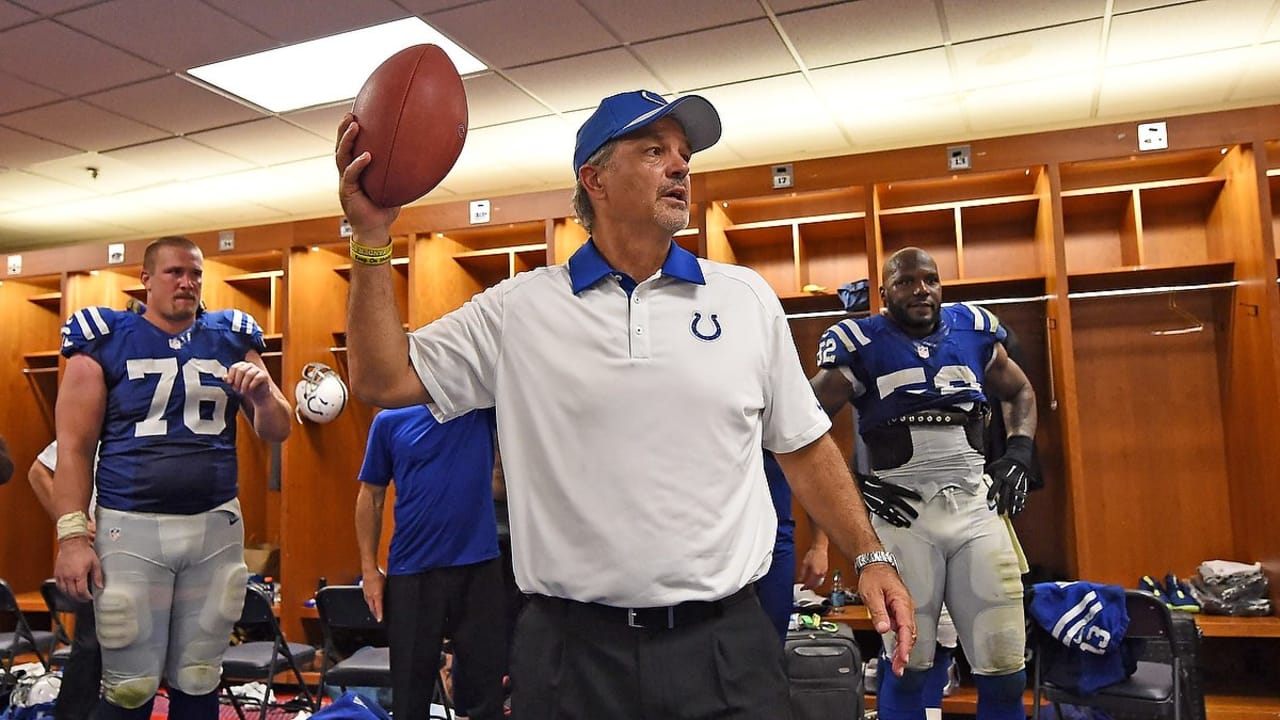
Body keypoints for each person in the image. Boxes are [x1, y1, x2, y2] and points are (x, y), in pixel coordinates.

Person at [336, 88, 916, 719]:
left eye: (684, 153)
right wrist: (370, 237)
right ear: (595, 179)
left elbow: (804, 446)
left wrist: (870, 553)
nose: (680, 166)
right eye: (653, 150)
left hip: (725, 647)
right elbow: (379, 377)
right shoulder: (519, 310)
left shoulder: (744, 298)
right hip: (571, 656)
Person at [50, 235, 292, 720]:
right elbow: (73, 448)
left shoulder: (230, 337)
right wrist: (72, 537)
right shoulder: (105, 338)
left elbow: (278, 430)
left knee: (200, 676)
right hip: (132, 526)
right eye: (174, 273)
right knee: (131, 685)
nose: (188, 283)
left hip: (215, 526)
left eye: (196, 274)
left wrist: (265, 395)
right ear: (145, 280)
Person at [810, 246, 1038, 720]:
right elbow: (803, 427)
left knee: (1005, 665)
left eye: (929, 280)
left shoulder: (974, 332)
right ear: (884, 292)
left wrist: (1018, 451)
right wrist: (855, 482)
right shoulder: (860, 341)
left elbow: (1019, 390)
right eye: (906, 282)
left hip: (975, 507)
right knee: (907, 663)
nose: (921, 291)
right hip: (903, 515)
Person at [354, 405, 506, 720]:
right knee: (410, 696)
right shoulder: (389, 420)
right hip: (413, 571)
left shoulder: (478, 409)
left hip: (479, 569)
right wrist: (369, 570)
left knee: (485, 696)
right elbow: (371, 495)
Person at [29, 440, 102, 720]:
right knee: (90, 650)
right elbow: (38, 472)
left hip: (151, 552)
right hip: (101, 553)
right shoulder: (93, 422)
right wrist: (73, 528)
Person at [758, 450, 829, 641]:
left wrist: (819, 546)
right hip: (721, 542)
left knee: (771, 645)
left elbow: (811, 466)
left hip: (776, 542)